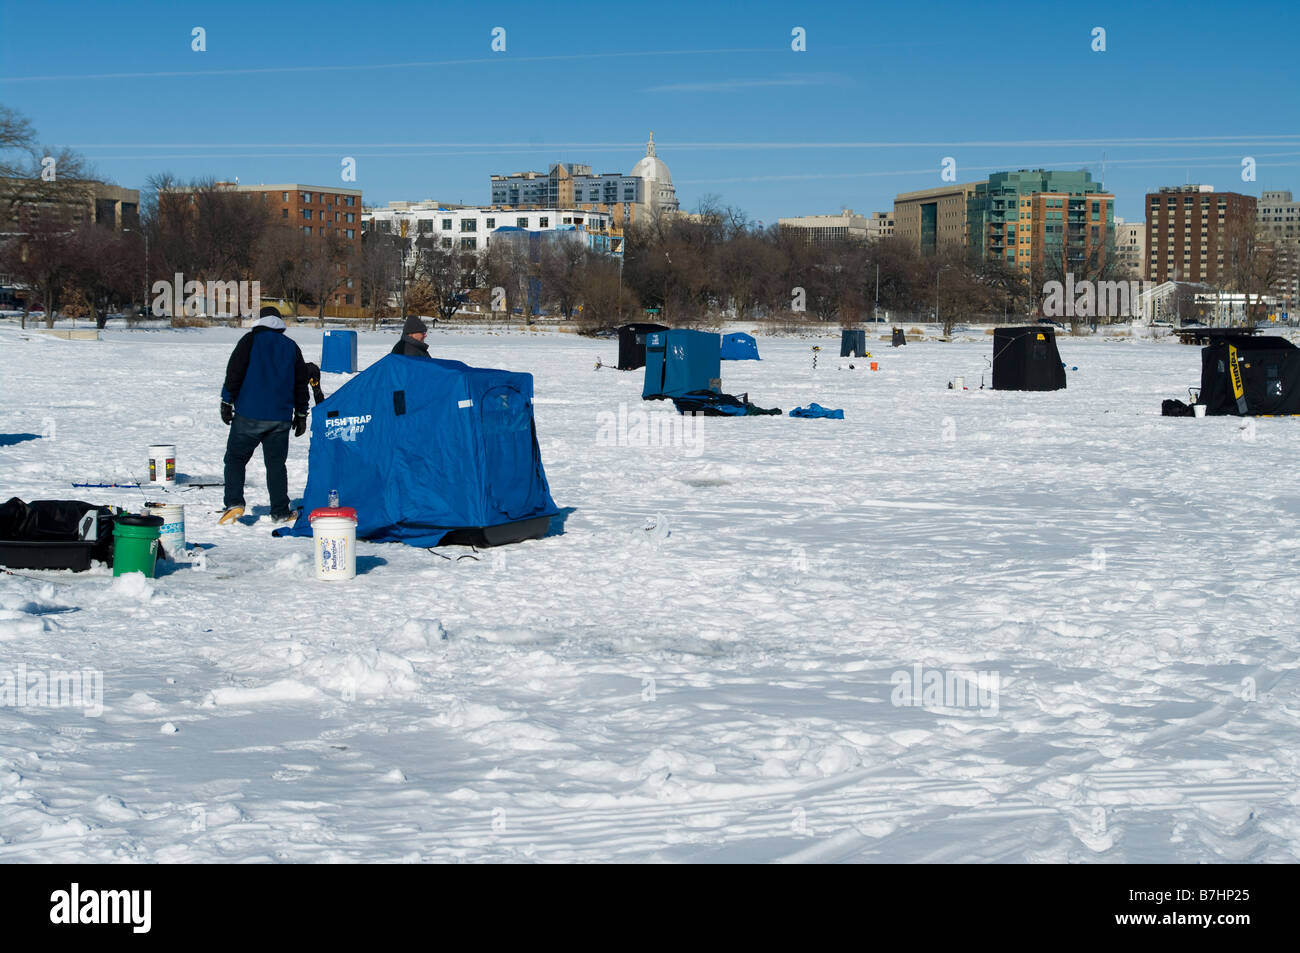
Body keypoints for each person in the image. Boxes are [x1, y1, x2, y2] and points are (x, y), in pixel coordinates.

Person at [218, 313, 310, 525]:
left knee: (235, 459)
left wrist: (226, 401)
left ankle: (234, 503)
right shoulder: (291, 346)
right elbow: (300, 383)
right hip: (280, 418)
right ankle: (280, 512)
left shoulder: (250, 340)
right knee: (276, 466)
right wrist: (302, 414)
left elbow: (234, 372)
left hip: (249, 415)